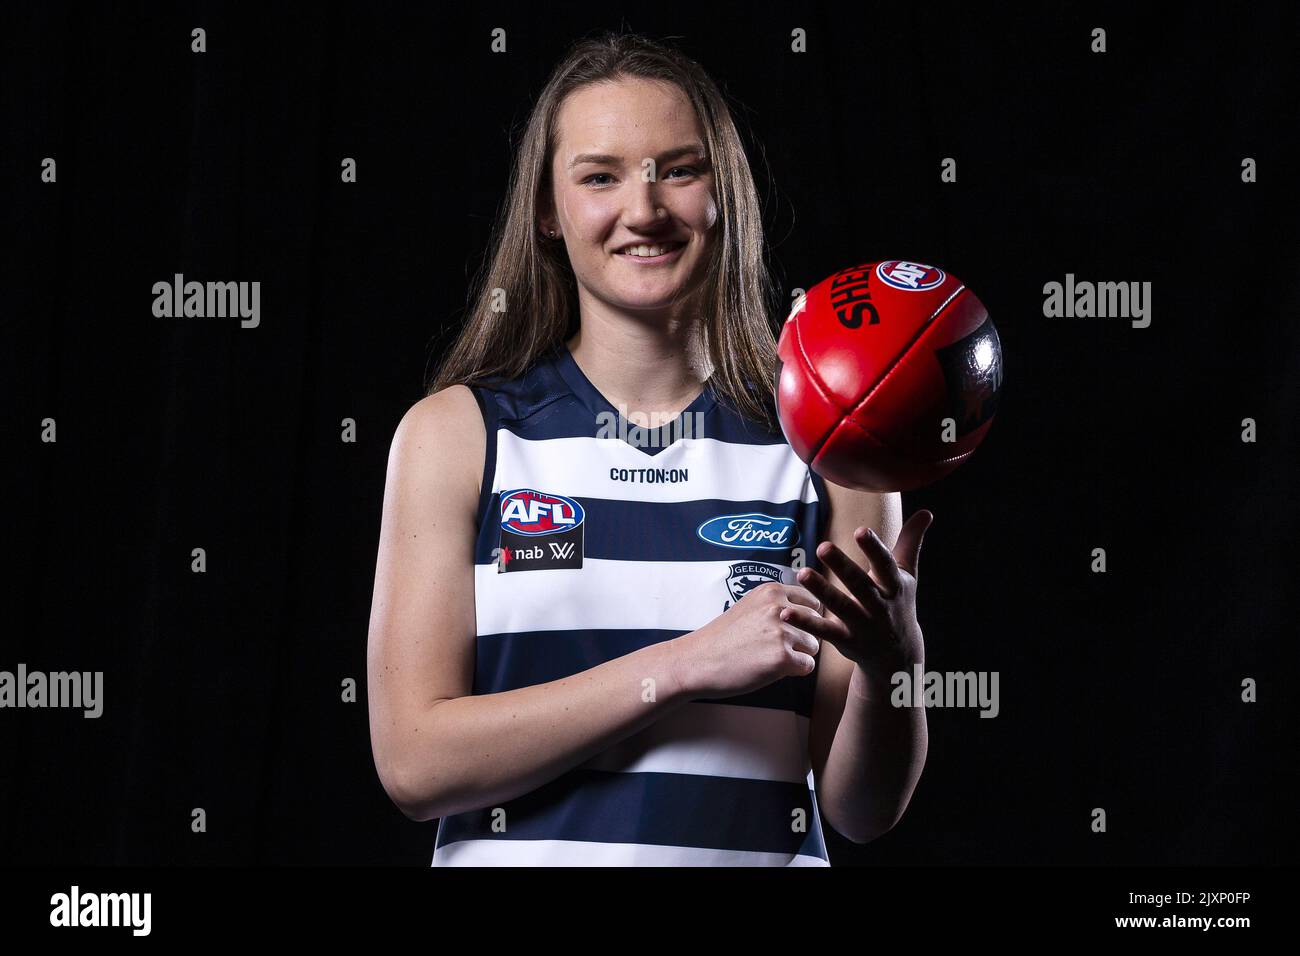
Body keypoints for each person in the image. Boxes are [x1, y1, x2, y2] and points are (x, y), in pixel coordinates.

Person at [366, 31, 932, 866]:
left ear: (723, 196)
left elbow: (861, 811)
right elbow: (414, 763)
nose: (644, 209)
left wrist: (896, 664)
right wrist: (682, 666)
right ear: (550, 213)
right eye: (600, 176)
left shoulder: (828, 441)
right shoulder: (459, 434)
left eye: (679, 168)